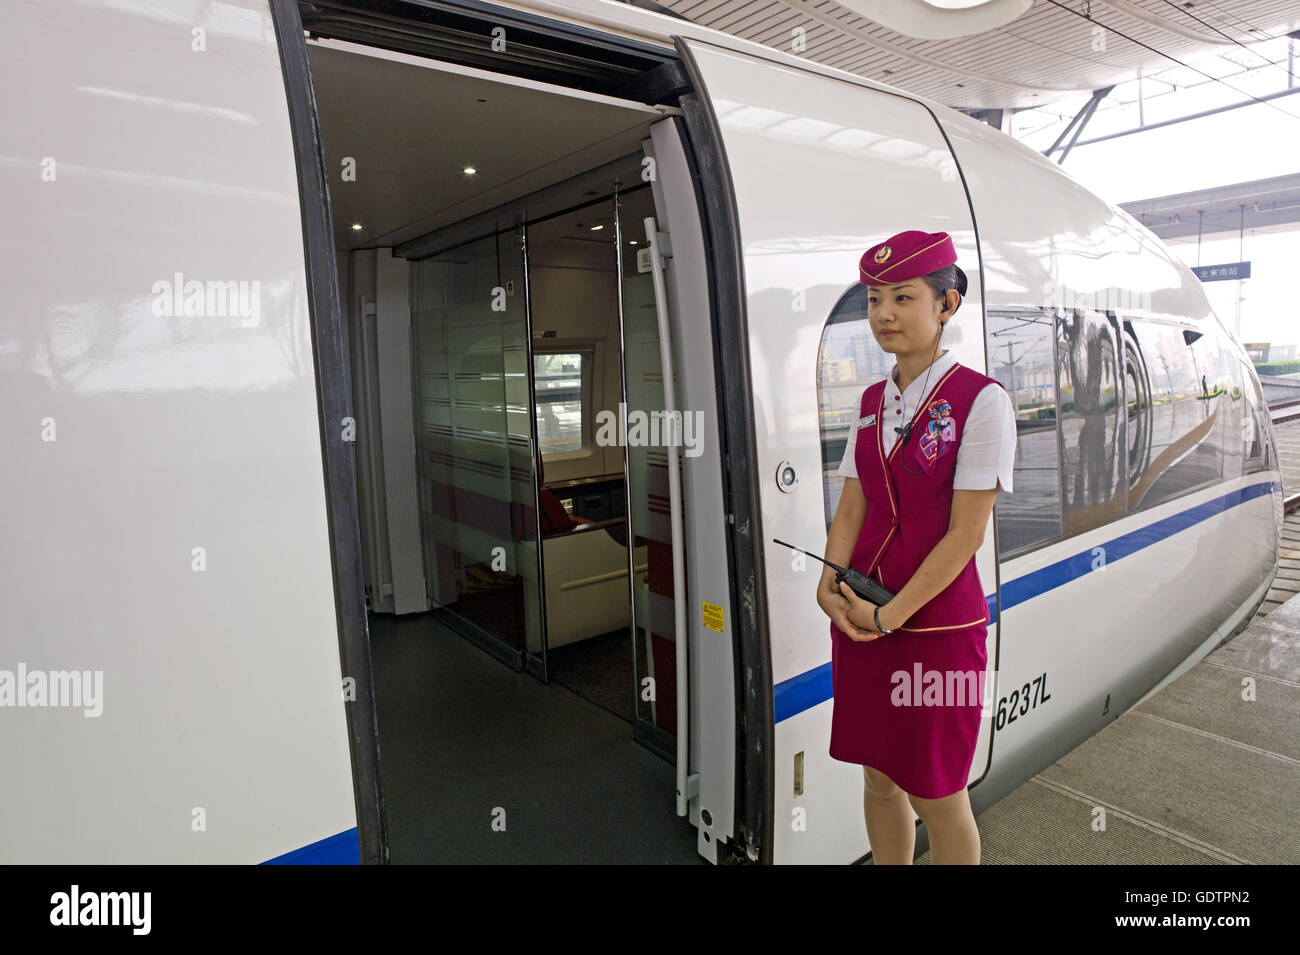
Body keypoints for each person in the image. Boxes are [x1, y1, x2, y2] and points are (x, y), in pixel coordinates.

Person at [815, 229, 1017, 865]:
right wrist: (829, 581)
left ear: (946, 306)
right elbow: (854, 504)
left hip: (936, 629)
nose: (884, 315)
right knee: (877, 777)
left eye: (903, 297)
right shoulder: (871, 403)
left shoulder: (980, 401)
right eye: (875, 300)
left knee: (938, 794)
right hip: (861, 616)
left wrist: (889, 615)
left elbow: (966, 534)